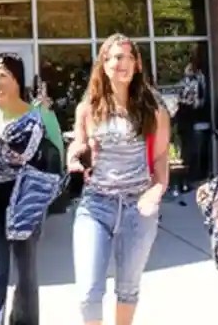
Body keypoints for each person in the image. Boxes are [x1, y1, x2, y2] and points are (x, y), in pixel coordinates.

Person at [68, 34, 170, 325]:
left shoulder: (154, 110)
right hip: (95, 206)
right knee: (88, 293)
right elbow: (79, 145)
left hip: (138, 208)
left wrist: (157, 190)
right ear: (103, 65)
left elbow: (161, 156)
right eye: (112, 57)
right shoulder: (88, 108)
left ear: (136, 64)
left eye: (125, 56)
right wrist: (74, 157)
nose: (119, 63)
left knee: (127, 289)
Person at [0, 53, 65, 325]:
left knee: (25, 274)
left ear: (17, 79)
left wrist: (47, 193)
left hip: (23, 201)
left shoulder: (38, 113)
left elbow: (57, 156)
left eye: (3, 75)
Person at [173, 48, 210, 197]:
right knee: (191, 153)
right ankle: (190, 180)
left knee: (193, 153)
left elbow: (192, 99)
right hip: (191, 120)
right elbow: (192, 100)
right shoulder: (196, 77)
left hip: (193, 119)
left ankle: (192, 179)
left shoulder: (198, 77)